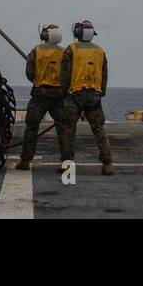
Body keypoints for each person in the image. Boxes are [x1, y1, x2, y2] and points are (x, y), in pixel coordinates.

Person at [57, 20, 114, 176]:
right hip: (94, 96)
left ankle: (67, 164)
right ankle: (107, 163)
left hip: (74, 95)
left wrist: (63, 93)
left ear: (78, 33)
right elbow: (104, 75)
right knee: (99, 129)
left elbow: (64, 74)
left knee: (68, 130)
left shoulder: (71, 49)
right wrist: (101, 93)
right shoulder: (100, 51)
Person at [15, 23, 68, 170]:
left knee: (32, 127)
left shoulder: (36, 51)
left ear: (45, 35)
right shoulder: (65, 52)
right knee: (64, 129)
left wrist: (38, 80)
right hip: (59, 96)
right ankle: (67, 162)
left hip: (40, 95)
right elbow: (68, 74)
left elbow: (29, 72)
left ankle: (25, 160)